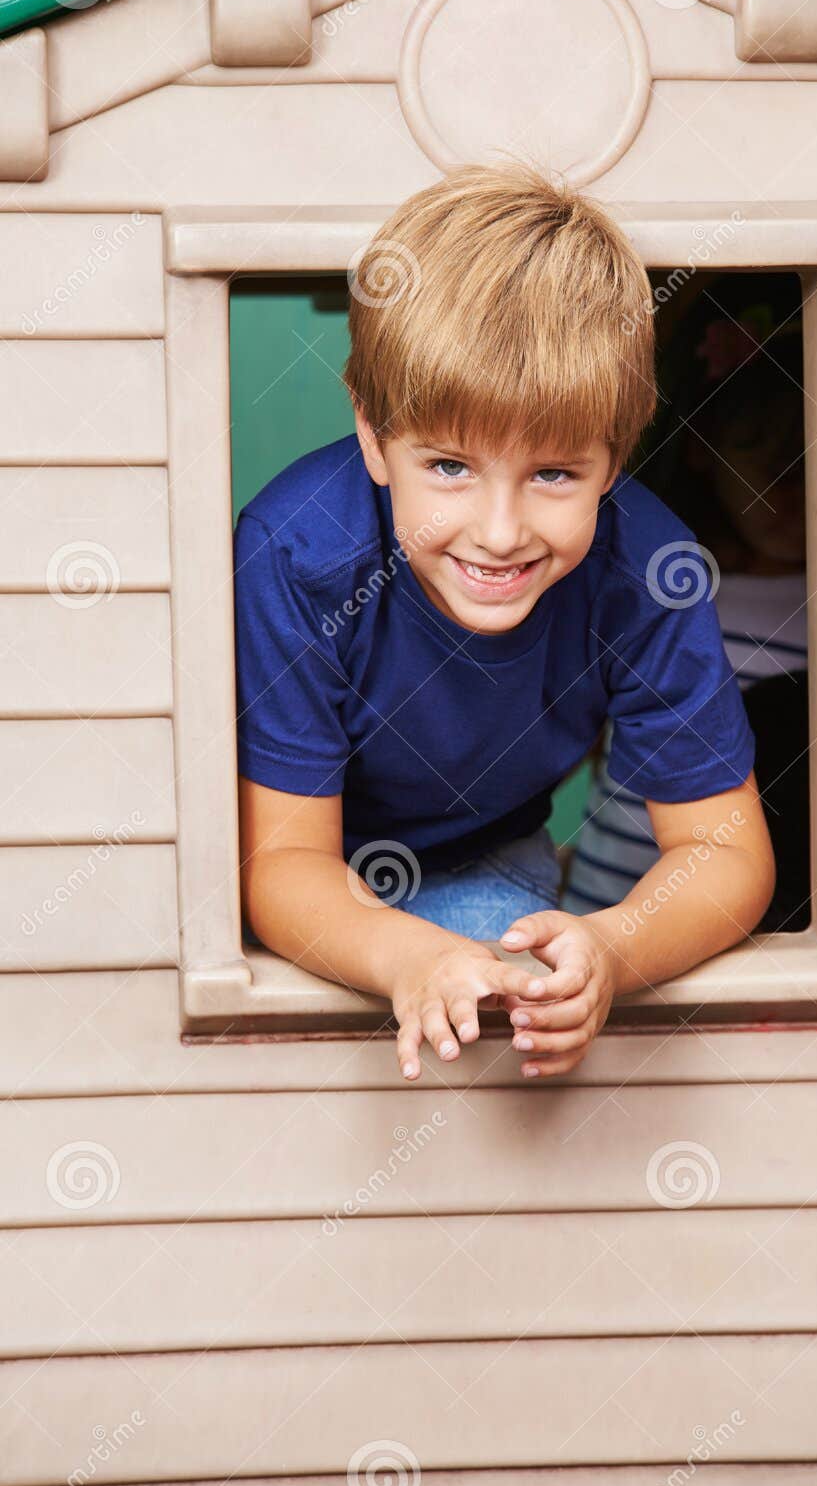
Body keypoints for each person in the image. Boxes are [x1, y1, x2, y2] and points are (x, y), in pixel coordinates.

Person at [232, 160, 775, 1084]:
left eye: (554, 475)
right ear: (371, 435)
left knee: (505, 999)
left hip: (483, 845)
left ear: (615, 458)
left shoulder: (647, 571)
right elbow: (281, 860)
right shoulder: (297, 554)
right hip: (292, 862)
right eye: (448, 467)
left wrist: (613, 947)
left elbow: (725, 853)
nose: (498, 531)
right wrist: (401, 955)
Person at [562, 281, 811, 932]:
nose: (789, 473)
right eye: (758, 438)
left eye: (811, 445)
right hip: (591, 922)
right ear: (703, 450)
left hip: (741, 942)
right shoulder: (655, 589)